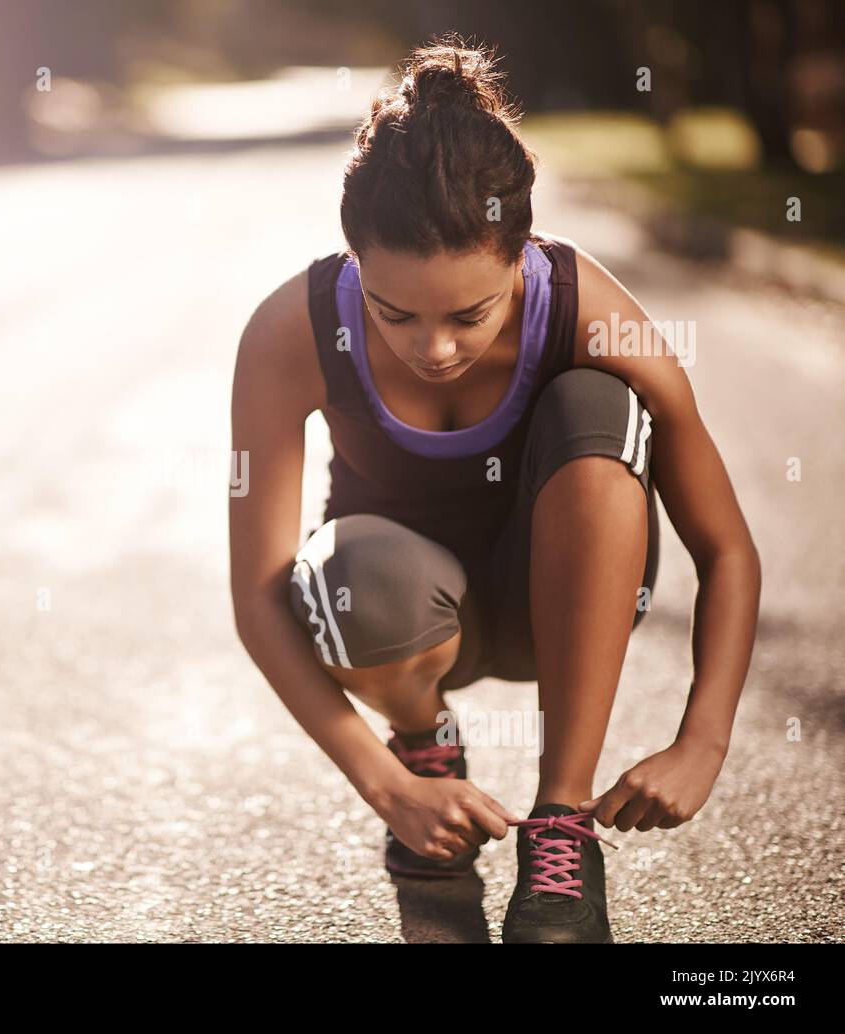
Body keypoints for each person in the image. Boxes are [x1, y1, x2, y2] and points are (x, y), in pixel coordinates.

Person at [227, 35, 761, 944]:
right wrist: (387, 784)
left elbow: (727, 550)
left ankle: (559, 830)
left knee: (596, 402)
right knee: (355, 568)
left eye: (469, 314)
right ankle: (428, 748)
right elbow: (257, 593)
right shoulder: (295, 331)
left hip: (567, 606)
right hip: (400, 628)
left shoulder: (592, 311)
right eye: (395, 313)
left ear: (521, 257)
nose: (434, 349)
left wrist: (702, 741)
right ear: (355, 258)